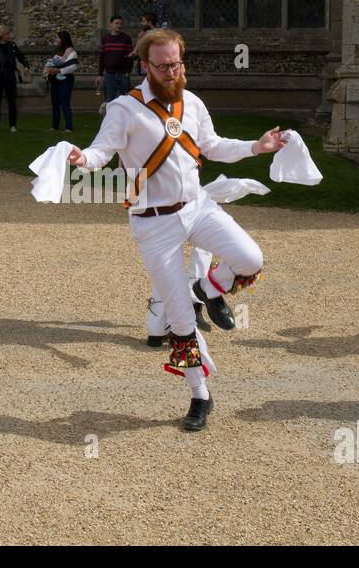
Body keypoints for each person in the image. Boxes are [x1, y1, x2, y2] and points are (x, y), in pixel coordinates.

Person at [67, 28, 286, 432]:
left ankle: (209, 288)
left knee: (250, 258)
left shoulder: (194, 102)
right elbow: (101, 152)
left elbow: (213, 145)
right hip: (154, 224)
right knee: (181, 322)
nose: (172, 71)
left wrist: (256, 147)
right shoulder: (124, 109)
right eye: (164, 65)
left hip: (197, 206)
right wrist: (83, 159)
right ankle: (200, 395)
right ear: (145, 65)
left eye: (177, 63)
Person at [0, 25, 27, 134]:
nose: (8, 36)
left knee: (12, 102)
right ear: (1, 35)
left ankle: (13, 125)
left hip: (10, 77)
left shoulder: (12, 46)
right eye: (6, 34)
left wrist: (25, 65)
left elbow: (21, 56)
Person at [97, 15, 134, 114]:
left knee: (126, 101)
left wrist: (128, 72)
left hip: (123, 75)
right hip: (109, 75)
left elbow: (130, 57)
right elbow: (102, 57)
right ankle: (108, 123)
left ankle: (125, 123)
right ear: (111, 24)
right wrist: (100, 74)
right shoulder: (105, 39)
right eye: (116, 23)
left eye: (121, 24)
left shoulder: (126, 38)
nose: (119, 26)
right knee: (109, 101)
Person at [45, 30, 77, 133]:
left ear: (63, 39)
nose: (55, 39)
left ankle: (68, 127)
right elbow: (49, 63)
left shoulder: (70, 51)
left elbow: (73, 66)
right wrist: (48, 71)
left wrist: (59, 70)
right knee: (55, 104)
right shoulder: (55, 50)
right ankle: (55, 126)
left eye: (57, 37)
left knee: (65, 103)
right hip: (54, 80)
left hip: (66, 81)